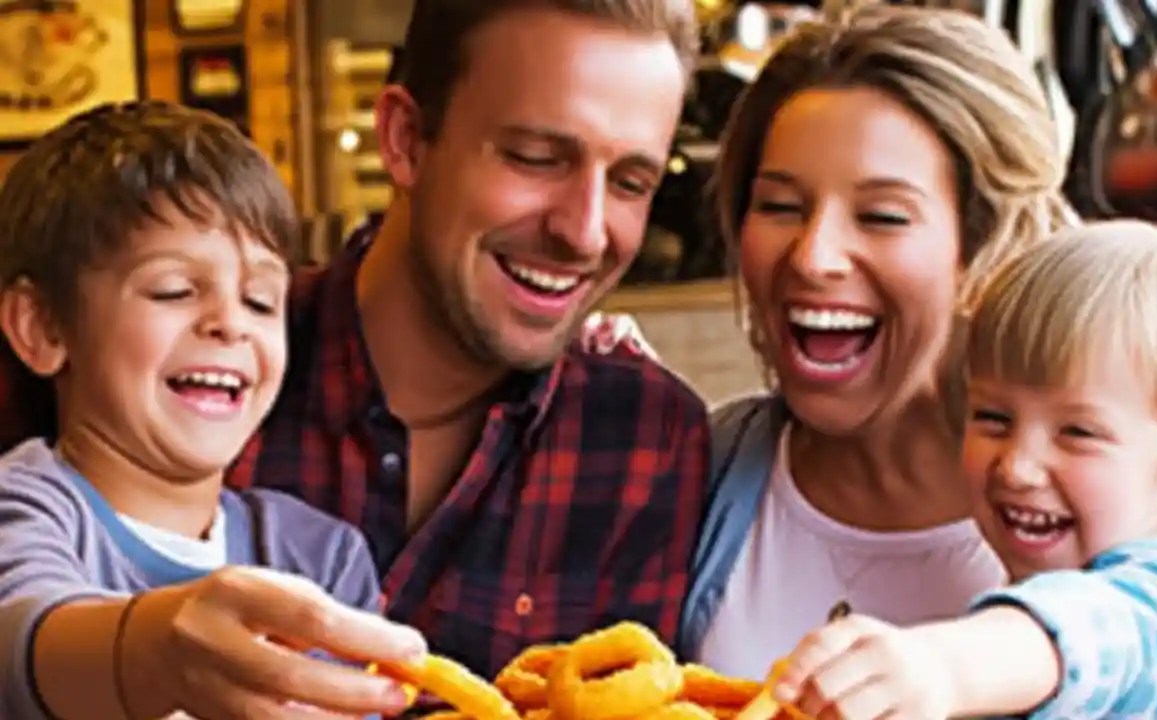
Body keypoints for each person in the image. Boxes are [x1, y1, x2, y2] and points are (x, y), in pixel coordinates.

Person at [0, 0, 711, 694]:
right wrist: (145, 654)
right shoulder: (149, 387)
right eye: (534, 157)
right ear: (403, 138)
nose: (585, 233)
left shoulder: (644, 437)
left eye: (631, 182)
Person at [675, 4, 1077, 678]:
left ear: (982, 245)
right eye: (779, 207)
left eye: (883, 216)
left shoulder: (1095, 484)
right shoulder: (700, 474)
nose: (814, 257)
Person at [0, 102, 426, 720]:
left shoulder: (322, 558)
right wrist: (148, 656)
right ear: (42, 327)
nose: (229, 323)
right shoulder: (27, 508)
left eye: (260, 301)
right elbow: (18, 634)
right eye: (174, 289)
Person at [773, 221, 1157, 719]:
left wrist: (943, 668)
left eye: (1078, 433)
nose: (1017, 467)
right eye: (993, 418)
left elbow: (1099, 629)